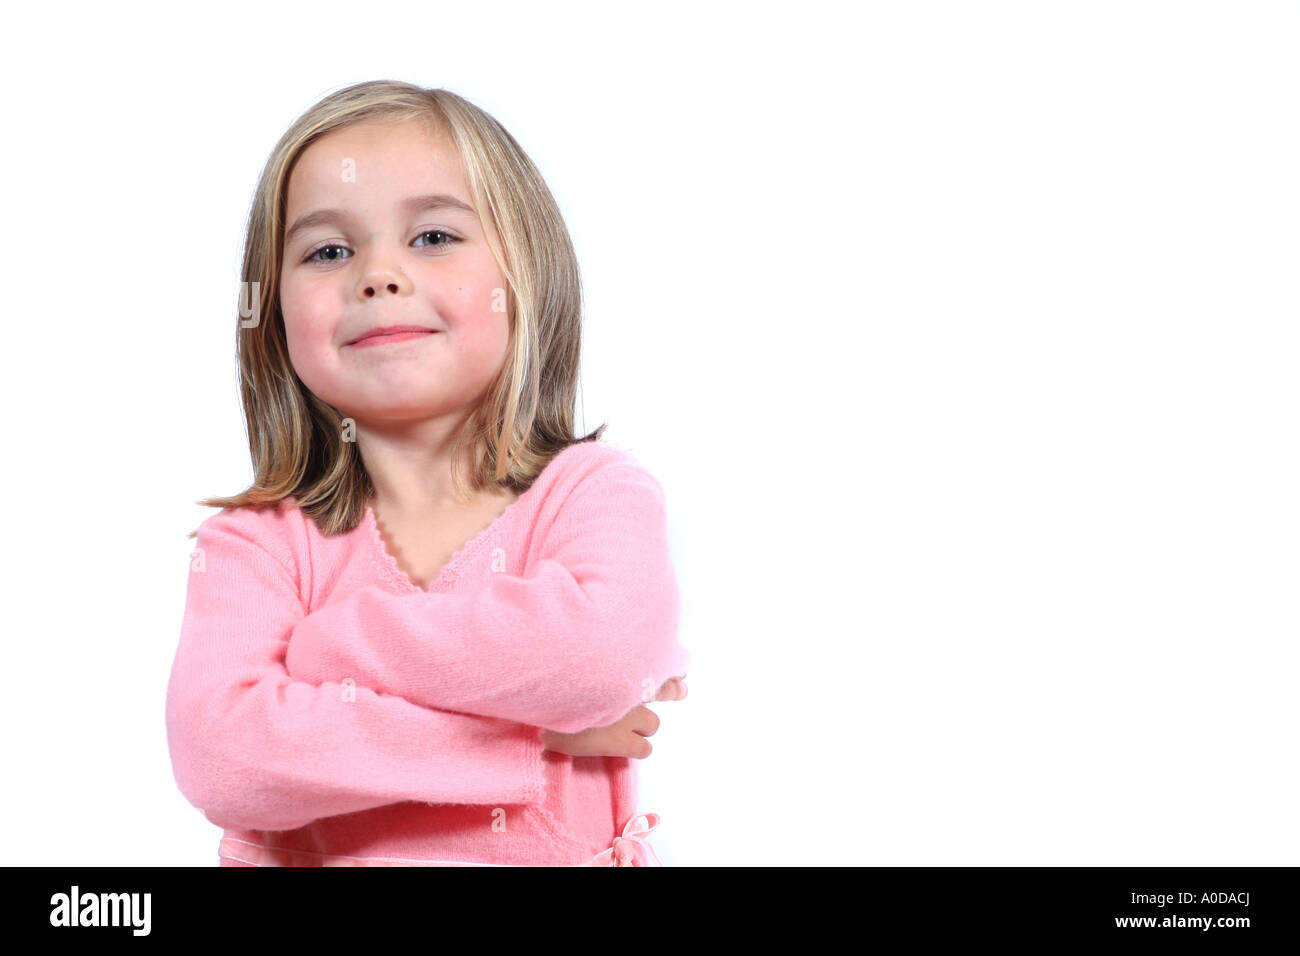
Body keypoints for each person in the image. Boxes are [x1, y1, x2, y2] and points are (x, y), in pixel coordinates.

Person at [164, 80, 690, 867]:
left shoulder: (595, 493)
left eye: (435, 237)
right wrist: (524, 736)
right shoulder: (252, 543)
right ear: (273, 316)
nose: (377, 275)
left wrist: (325, 650)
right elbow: (223, 759)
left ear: (527, 277)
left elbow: (600, 659)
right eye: (328, 251)